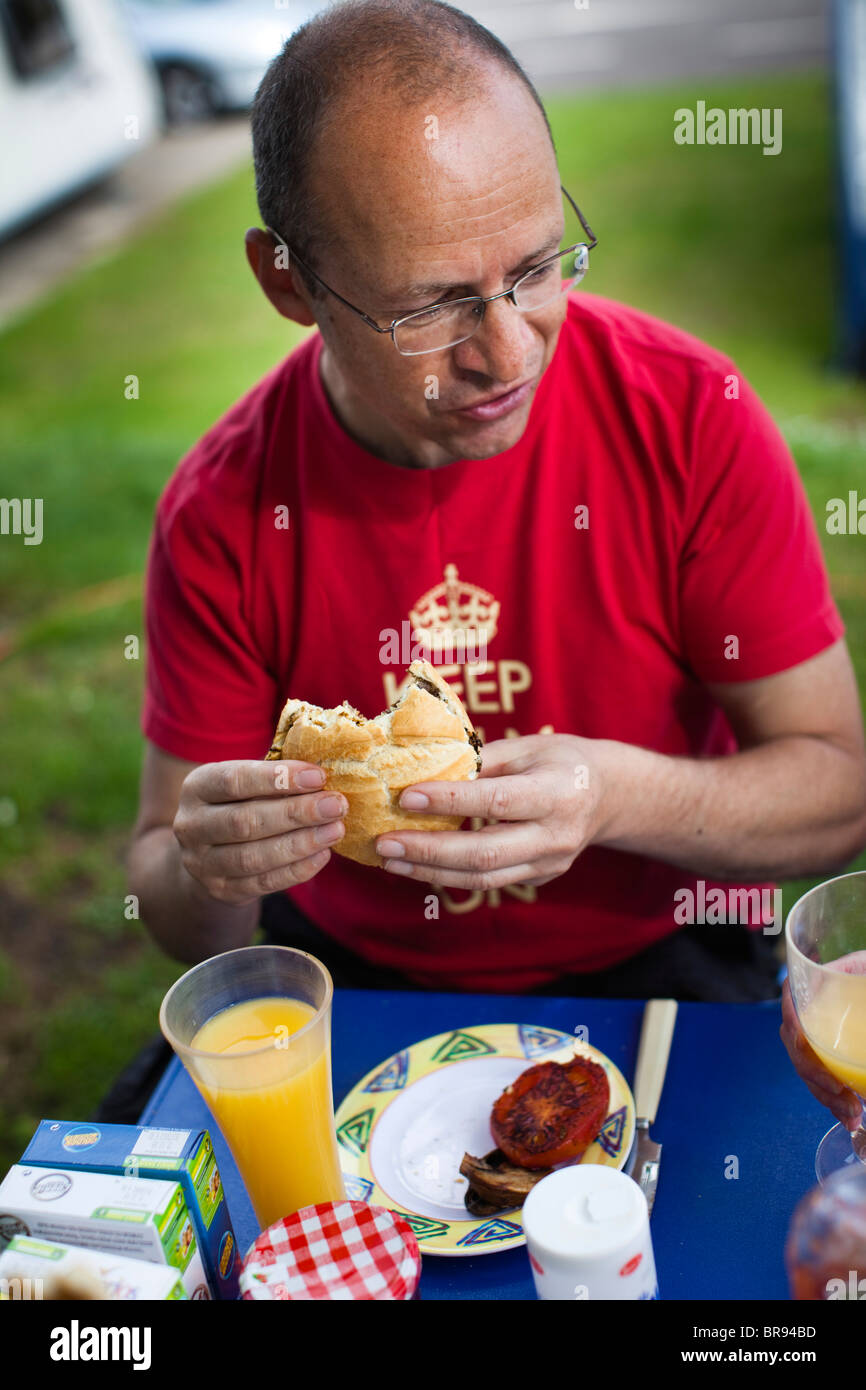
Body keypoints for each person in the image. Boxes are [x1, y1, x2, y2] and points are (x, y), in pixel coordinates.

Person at [128, 0, 866, 1140]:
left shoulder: (685, 417)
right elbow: (184, 916)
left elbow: (837, 789)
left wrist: (615, 794)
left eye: (533, 267)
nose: (508, 351)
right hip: (358, 974)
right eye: (430, 306)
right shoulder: (226, 509)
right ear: (287, 286)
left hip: (658, 957)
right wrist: (214, 860)